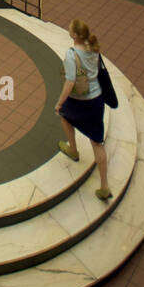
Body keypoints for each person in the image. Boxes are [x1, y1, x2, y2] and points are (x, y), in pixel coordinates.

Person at [55, 17, 112, 200]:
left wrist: (60, 102)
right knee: (97, 143)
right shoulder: (93, 47)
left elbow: (70, 82)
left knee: (64, 115)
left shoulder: (72, 54)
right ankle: (104, 186)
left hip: (79, 100)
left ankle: (73, 149)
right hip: (96, 100)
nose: (68, 29)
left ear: (75, 35)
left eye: (70, 28)